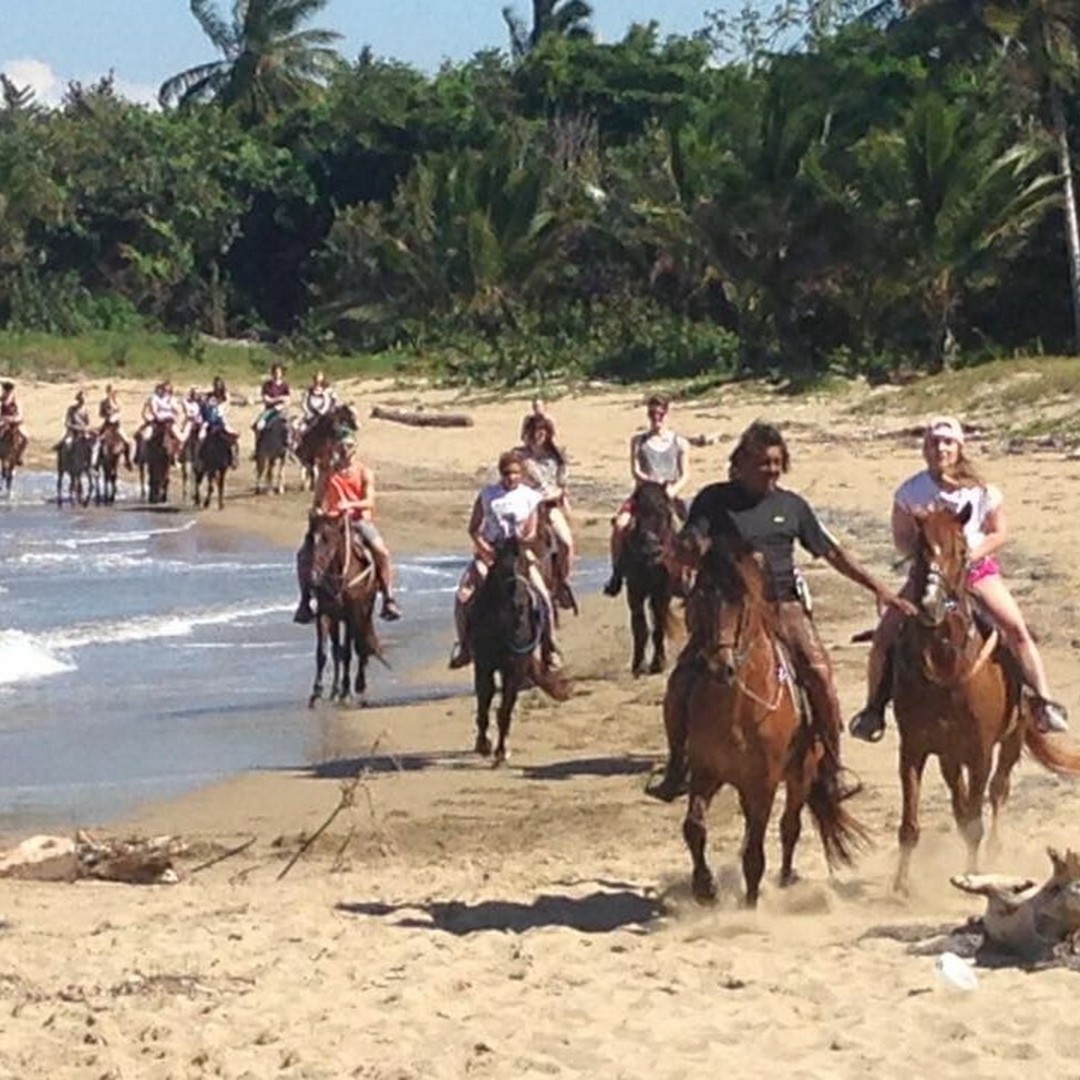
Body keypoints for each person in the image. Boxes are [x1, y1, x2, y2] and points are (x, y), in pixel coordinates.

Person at [647, 420, 915, 803]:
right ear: (741, 464)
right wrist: (683, 551)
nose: (771, 469)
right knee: (682, 681)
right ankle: (677, 766)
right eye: (763, 462)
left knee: (819, 673)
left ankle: (833, 766)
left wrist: (879, 588)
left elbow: (831, 552)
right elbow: (692, 541)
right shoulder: (713, 500)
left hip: (783, 604)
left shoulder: (792, 506)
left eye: (776, 462)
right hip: (729, 606)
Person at [849, 414, 1068, 740]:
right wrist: (929, 558)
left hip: (976, 572)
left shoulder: (981, 491)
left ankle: (1042, 701)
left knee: (1016, 629)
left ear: (959, 447)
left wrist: (966, 558)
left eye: (948, 442)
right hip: (929, 575)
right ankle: (873, 709)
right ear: (926, 448)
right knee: (884, 636)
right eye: (935, 442)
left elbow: (999, 532)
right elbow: (902, 538)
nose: (941, 448)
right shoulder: (910, 492)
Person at [448, 449, 562, 672]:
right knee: (463, 596)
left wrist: (522, 540)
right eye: (508, 473)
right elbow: (474, 528)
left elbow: (532, 532)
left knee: (542, 596)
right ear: (501, 474)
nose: (512, 477)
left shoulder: (530, 497)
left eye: (516, 473)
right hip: (491, 553)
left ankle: (549, 647)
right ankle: (465, 646)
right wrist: (484, 549)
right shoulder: (488, 495)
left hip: (519, 554)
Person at [294, 431, 402, 624]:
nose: (344, 451)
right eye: (341, 446)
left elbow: (369, 500)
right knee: (304, 554)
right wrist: (318, 512)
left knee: (381, 551)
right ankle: (305, 600)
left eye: (348, 446)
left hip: (358, 521)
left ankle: (388, 597)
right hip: (332, 521)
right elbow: (317, 500)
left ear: (354, 449)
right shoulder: (327, 472)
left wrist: (351, 506)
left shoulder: (363, 472)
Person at [603, 394, 691, 597]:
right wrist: (650, 484)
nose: (656, 417)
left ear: (666, 413)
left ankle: (685, 575)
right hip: (642, 495)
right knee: (621, 525)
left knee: (687, 531)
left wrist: (671, 490)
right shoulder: (638, 441)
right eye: (652, 413)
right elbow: (636, 470)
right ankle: (616, 572)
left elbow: (686, 473)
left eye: (660, 413)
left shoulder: (680, 443)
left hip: (669, 495)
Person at [519, 412, 575, 608]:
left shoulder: (556, 457)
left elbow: (561, 485)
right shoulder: (520, 456)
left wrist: (554, 494)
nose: (538, 434)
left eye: (542, 430)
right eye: (534, 430)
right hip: (527, 508)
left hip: (550, 507)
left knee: (566, 542)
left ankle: (563, 583)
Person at [199, 376, 239, 468]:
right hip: (210, 422)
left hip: (222, 422)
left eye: (219, 386)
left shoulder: (225, 397)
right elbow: (204, 405)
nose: (217, 388)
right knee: (201, 437)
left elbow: (227, 406)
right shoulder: (210, 396)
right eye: (216, 386)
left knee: (233, 438)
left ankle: (233, 458)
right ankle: (199, 459)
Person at [97, 383, 132, 469]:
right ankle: (97, 462)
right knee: (99, 441)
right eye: (110, 391)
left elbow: (121, 411)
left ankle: (127, 460)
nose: (112, 393)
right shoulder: (103, 402)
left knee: (127, 441)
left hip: (116, 424)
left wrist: (116, 414)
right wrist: (107, 415)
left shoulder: (118, 402)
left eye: (113, 391)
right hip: (107, 425)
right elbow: (100, 414)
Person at [253, 363, 291, 434]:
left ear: (282, 373)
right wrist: (280, 398)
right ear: (272, 373)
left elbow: (288, 401)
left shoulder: (285, 386)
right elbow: (267, 400)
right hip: (269, 411)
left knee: (290, 428)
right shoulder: (267, 385)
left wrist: (281, 405)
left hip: (282, 411)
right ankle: (258, 443)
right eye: (275, 372)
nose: (277, 374)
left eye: (279, 372)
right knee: (259, 426)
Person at [0, 380, 26, 465]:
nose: (7, 391)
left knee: (26, 437)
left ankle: (19, 455)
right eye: (5, 389)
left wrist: (14, 419)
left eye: (9, 389)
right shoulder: (1, 399)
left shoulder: (16, 400)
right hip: (3, 421)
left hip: (15, 423)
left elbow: (20, 413)